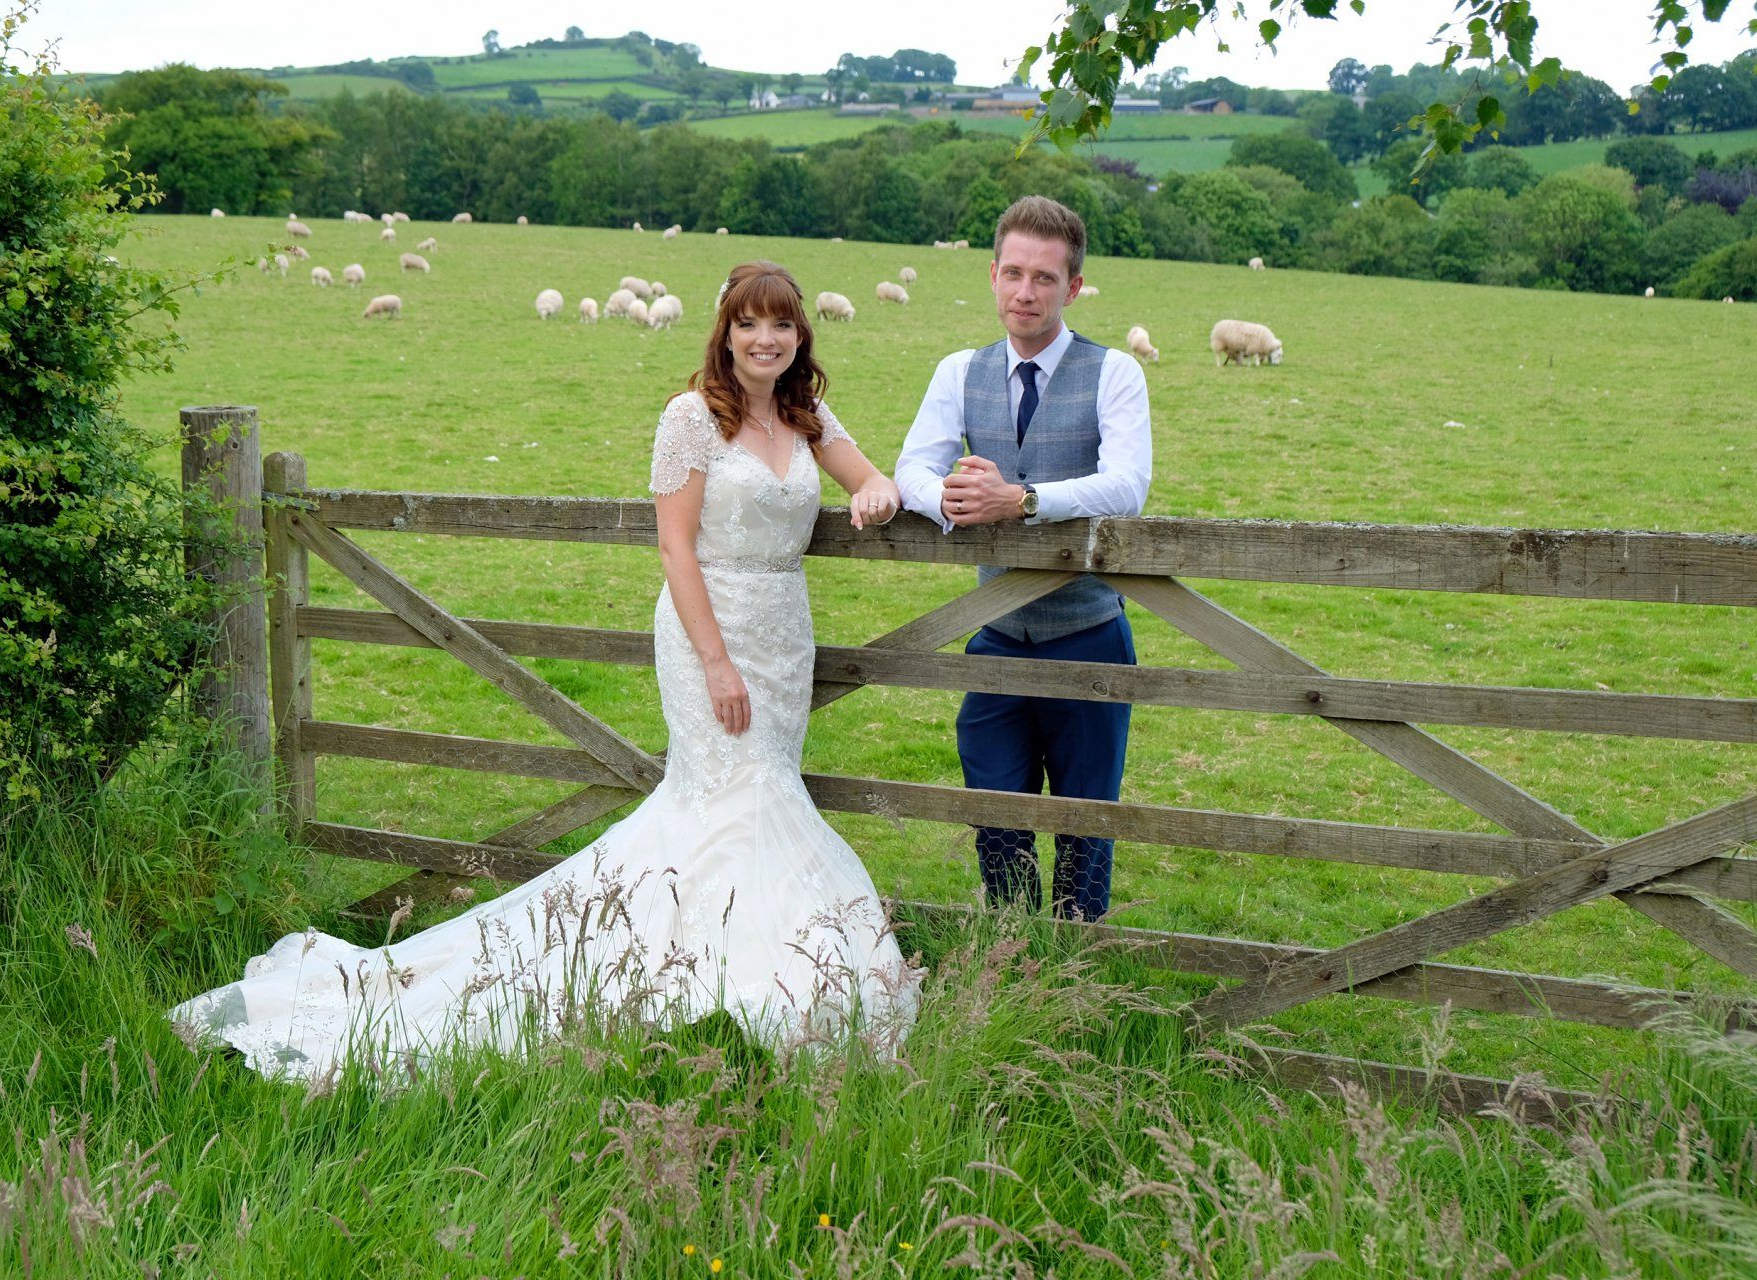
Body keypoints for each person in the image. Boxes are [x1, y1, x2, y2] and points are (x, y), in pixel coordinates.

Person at [170, 261, 918, 1081]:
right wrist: (716, 664)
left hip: (784, 636)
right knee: (733, 796)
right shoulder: (692, 417)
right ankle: (726, 973)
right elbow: (675, 548)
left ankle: (721, 958)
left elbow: (870, 478)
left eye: (780, 324)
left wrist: (876, 495)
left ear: (800, 335)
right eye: (749, 324)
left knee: (757, 796)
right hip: (711, 628)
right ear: (726, 333)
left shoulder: (808, 416)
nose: (765, 339)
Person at [894, 195, 1152, 923]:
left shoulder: (1115, 372)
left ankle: (1073, 958)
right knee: (995, 809)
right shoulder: (959, 371)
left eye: (1045, 277)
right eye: (1013, 273)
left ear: (1074, 287)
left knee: (1085, 818)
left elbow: (1128, 485)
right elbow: (912, 467)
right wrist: (951, 500)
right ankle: (1010, 953)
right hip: (997, 633)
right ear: (993, 275)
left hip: (1089, 635)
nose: (1026, 292)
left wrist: (1023, 500)